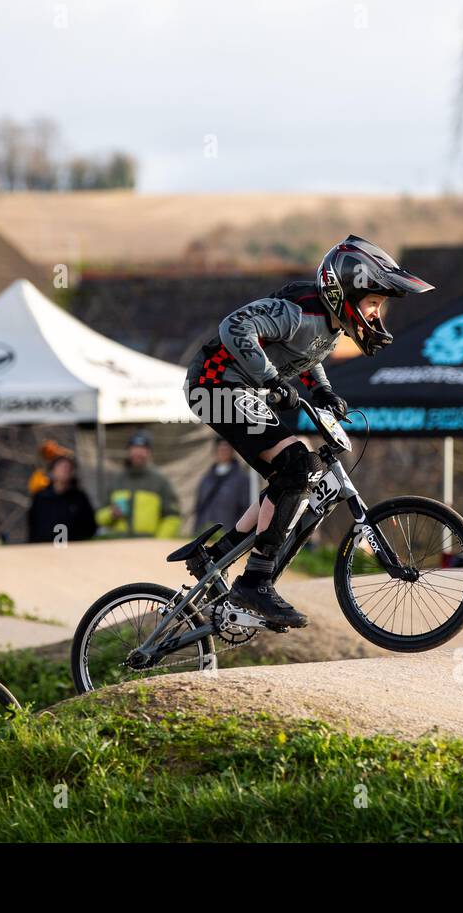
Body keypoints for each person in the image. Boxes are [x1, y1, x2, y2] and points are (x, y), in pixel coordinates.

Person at [183, 234, 434, 628]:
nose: (375, 316)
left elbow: (304, 355)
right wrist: (270, 379)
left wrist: (323, 390)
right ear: (347, 293)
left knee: (297, 472)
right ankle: (256, 582)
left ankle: (217, 555)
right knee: (299, 467)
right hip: (214, 387)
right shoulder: (296, 312)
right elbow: (235, 327)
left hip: (240, 389)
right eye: (373, 304)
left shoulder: (330, 326)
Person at [94, 432, 183, 538]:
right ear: (128, 451)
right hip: (118, 546)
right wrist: (111, 513)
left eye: (142, 448)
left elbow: (172, 517)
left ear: (149, 452)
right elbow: (99, 517)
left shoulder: (160, 481)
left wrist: (158, 542)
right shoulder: (116, 481)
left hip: (148, 545)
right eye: (135, 448)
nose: (138, 452)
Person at [27, 455, 97, 543]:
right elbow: (33, 526)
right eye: (61, 467)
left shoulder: (79, 498)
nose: (64, 470)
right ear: (53, 471)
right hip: (44, 549)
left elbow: (90, 526)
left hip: (73, 549)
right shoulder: (41, 497)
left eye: (68, 468)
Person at [193, 439, 252, 536]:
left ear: (232, 451)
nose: (223, 452)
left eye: (226, 449)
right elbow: (199, 508)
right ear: (215, 451)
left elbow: (246, 509)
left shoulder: (242, 480)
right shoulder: (206, 479)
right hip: (204, 534)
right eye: (220, 449)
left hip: (228, 535)